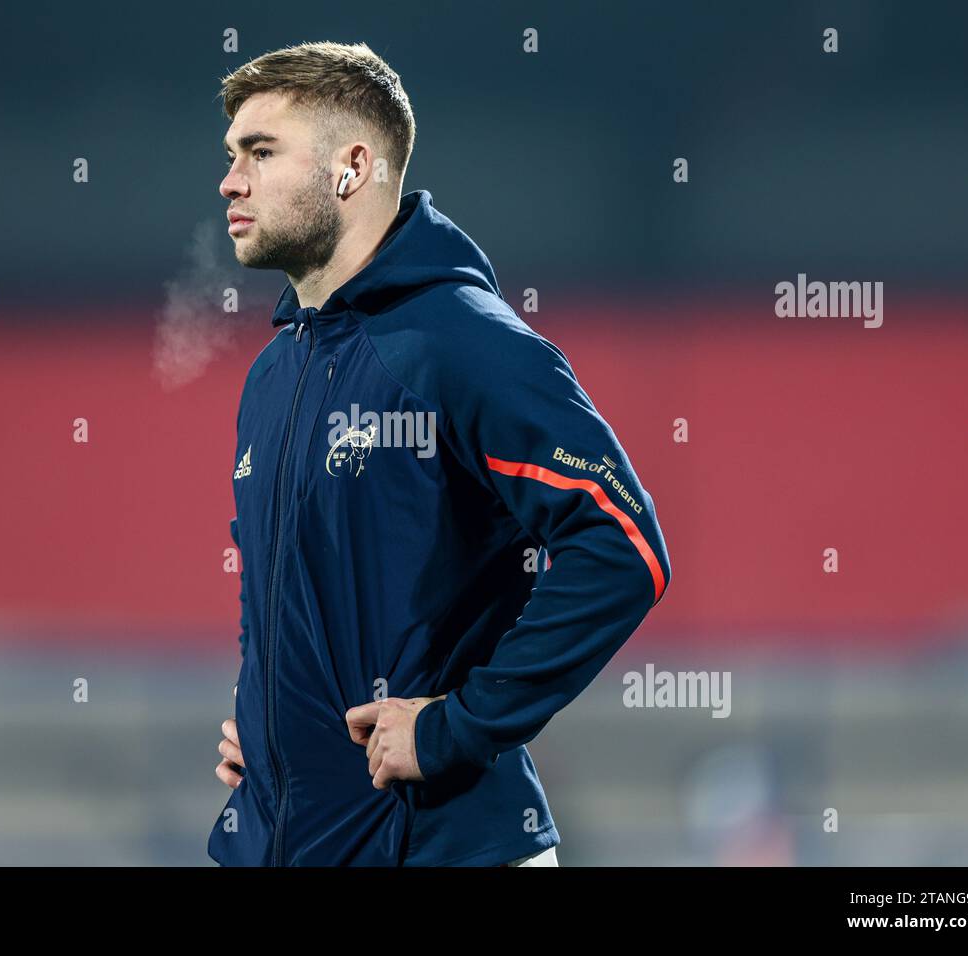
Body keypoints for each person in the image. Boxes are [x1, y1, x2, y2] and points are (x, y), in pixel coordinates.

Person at [208, 41, 670, 867]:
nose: (230, 181)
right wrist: (271, 724)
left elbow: (622, 545)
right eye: (232, 155)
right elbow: (283, 590)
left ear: (352, 167)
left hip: (441, 847)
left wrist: (460, 726)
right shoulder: (274, 371)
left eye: (261, 152)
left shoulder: (462, 341)